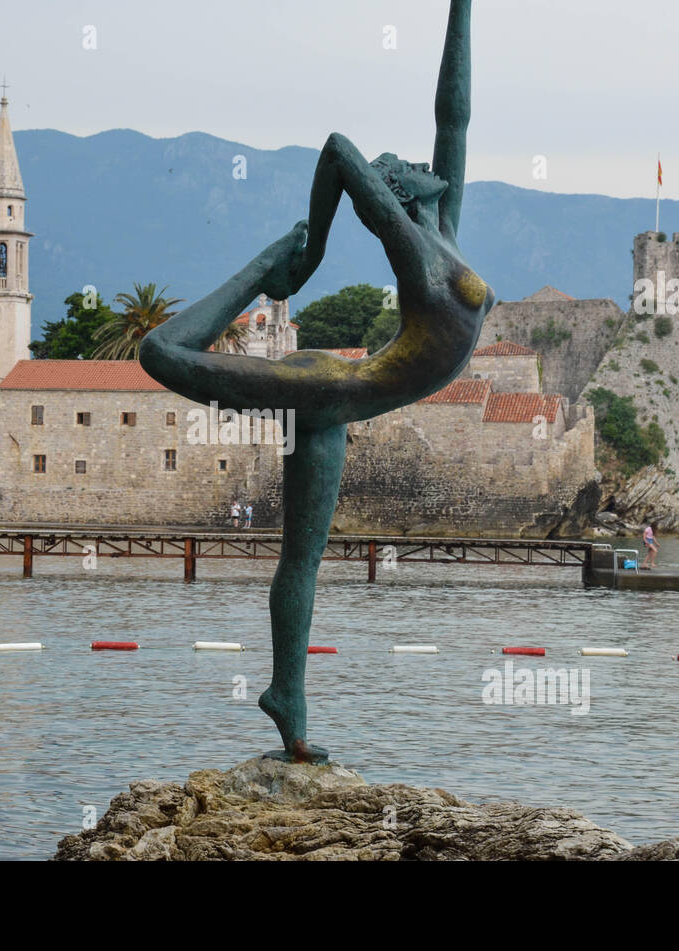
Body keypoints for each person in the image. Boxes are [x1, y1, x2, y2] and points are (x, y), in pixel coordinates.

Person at [137, 0, 495, 762]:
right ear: (400, 192)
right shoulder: (415, 248)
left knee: (302, 558)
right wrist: (306, 255)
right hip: (322, 388)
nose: (429, 165)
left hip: (335, 404)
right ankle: (261, 270)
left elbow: (454, 115)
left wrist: (462, 8)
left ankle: (287, 702)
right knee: (162, 355)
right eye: (410, 167)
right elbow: (337, 150)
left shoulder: (446, 229)